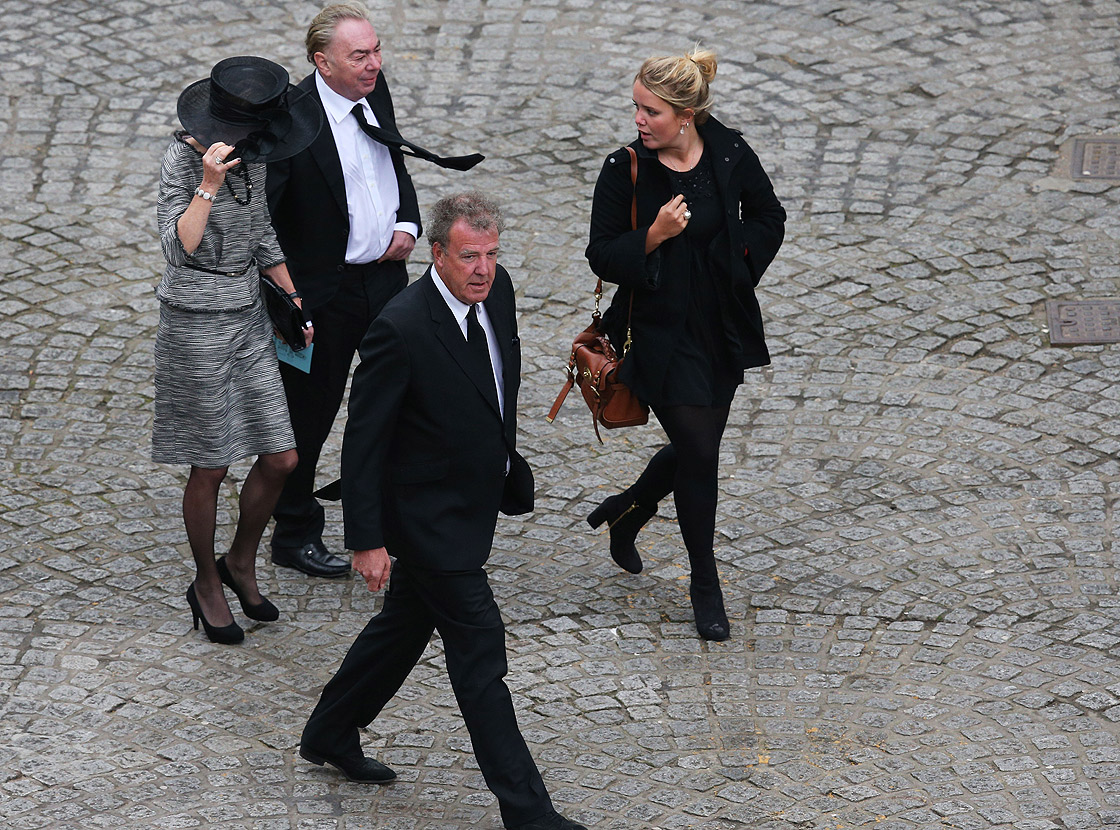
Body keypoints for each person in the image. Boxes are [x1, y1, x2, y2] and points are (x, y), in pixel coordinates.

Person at [299, 193, 586, 830]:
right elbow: (364, 440)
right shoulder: (399, 327)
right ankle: (529, 813)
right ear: (436, 254)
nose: (483, 270)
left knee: (402, 628)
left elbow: (495, 381)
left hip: (471, 501)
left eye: (491, 255)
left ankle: (330, 731)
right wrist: (367, 538)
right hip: (427, 521)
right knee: (481, 660)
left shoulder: (498, 291)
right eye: (469, 257)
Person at [266, 2, 481, 579]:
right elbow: (267, 218)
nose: (374, 64)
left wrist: (407, 223)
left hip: (385, 281)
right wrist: (289, 297)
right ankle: (293, 530)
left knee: (410, 395)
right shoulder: (290, 119)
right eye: (359, 55)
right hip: (321, 293)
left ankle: (399, 518)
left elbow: (392, 162)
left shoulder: (371, 90)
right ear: (322, 62)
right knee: (309, 413)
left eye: (376, 50)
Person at [585, 47, 785, 641]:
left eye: (651, 111)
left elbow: (769, 217)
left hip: (720, 327)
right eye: (637, 107)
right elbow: (602, 253)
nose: (639, 120)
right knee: (699, 451)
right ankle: (705, 582)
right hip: (656, 333)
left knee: (700, 449)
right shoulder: (625, 168)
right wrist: (652, 235)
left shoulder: (728, 152)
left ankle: (630, 508)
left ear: (686, 116)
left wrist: (736, 261)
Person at [154, 56, 322, 644]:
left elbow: (263, 234)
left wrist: (293, 300)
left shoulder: (253, 158)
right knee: (212, 463)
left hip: (248, 315)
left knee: (282, 457)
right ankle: (207, 583)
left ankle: (240, 561)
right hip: (195, 323)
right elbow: (179, 246)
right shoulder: (182, 160)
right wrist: (208, 184)